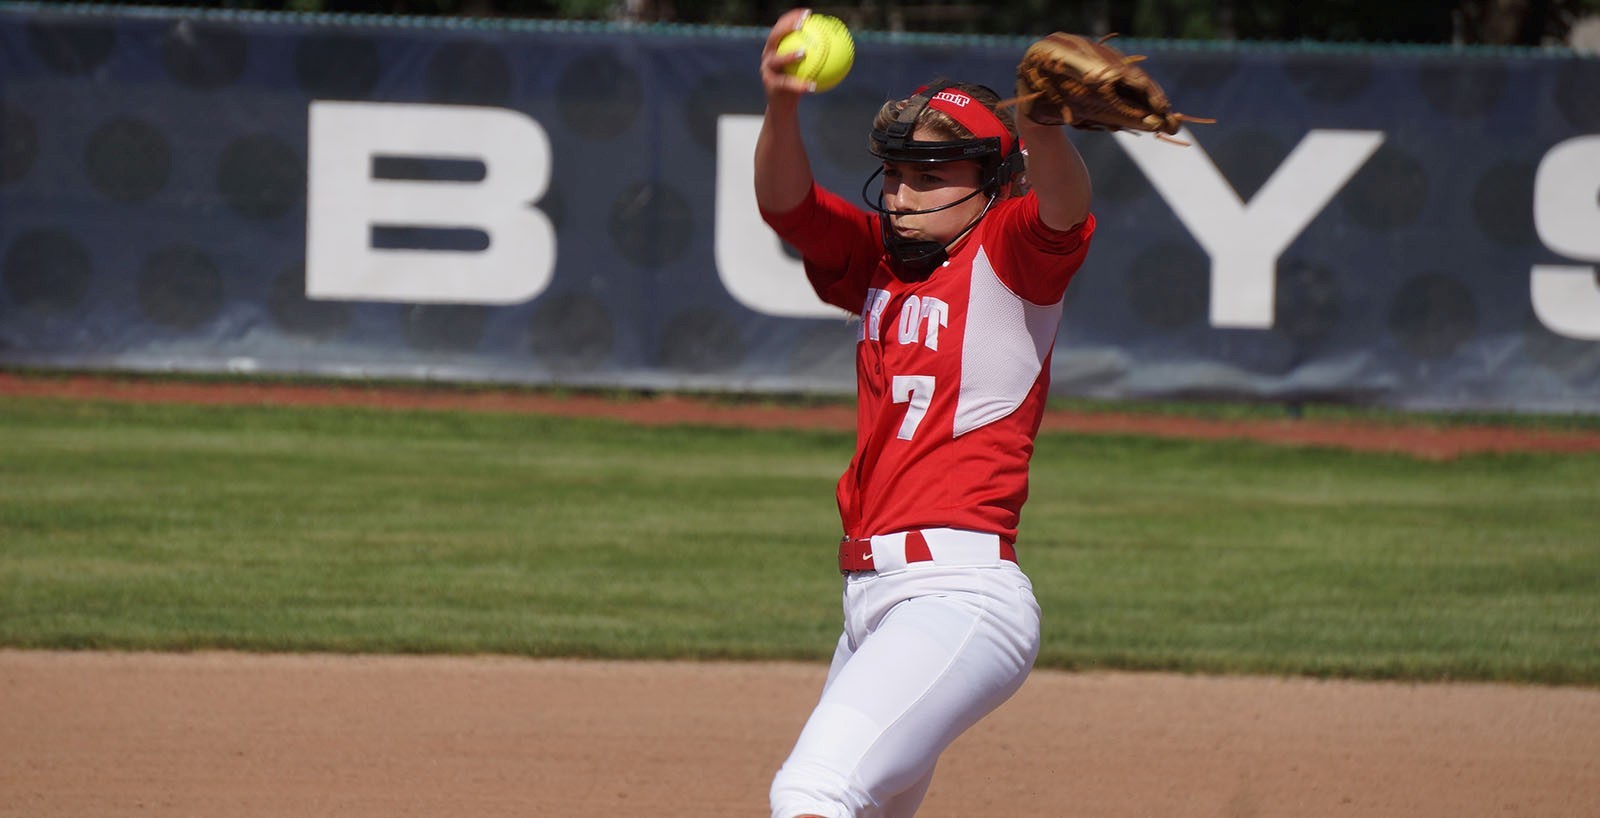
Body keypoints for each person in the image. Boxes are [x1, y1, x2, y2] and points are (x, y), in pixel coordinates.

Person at [755, 8, 1096, 818]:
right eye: (898, 171)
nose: (904, 193)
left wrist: (1043, 131)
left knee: (812, 790)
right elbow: (786, 208)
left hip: (958, 592)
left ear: (992, 182)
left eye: (932, 173)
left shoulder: (1010, 253)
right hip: (871, 602)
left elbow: (1064, 207)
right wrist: (780, 106)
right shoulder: (879, 261)